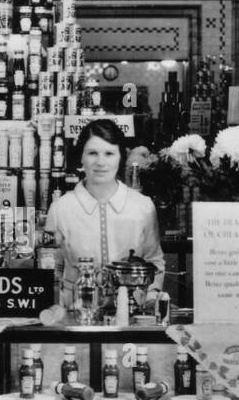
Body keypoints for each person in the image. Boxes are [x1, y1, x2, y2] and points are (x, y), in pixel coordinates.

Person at [43, 118, 164, 307]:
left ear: (121, 157)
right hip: (76, 314)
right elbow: (52, 267)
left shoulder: (142, 207)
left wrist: (150, 297)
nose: (100, 162)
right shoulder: (60, 209)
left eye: (109, 153)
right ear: (81, 157)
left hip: (130, 314)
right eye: (92, 153)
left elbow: (154, 261)